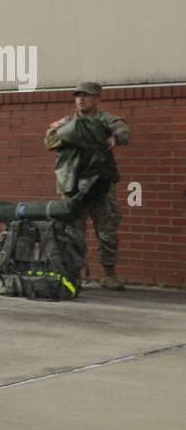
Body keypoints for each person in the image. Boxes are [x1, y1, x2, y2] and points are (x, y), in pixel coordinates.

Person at [43, 81, 130, 290]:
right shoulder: (66, 122)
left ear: (97, 98)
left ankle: (109, 275)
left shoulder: (105, 119)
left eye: (87, 95)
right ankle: (75, 274)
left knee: (107, 231)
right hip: (71, 185)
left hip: (100, 184)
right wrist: (71, 134)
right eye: (78, 95)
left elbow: (123, 130)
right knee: (73, 233)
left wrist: (114, 138)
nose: (81, 99)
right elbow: (49, 140)